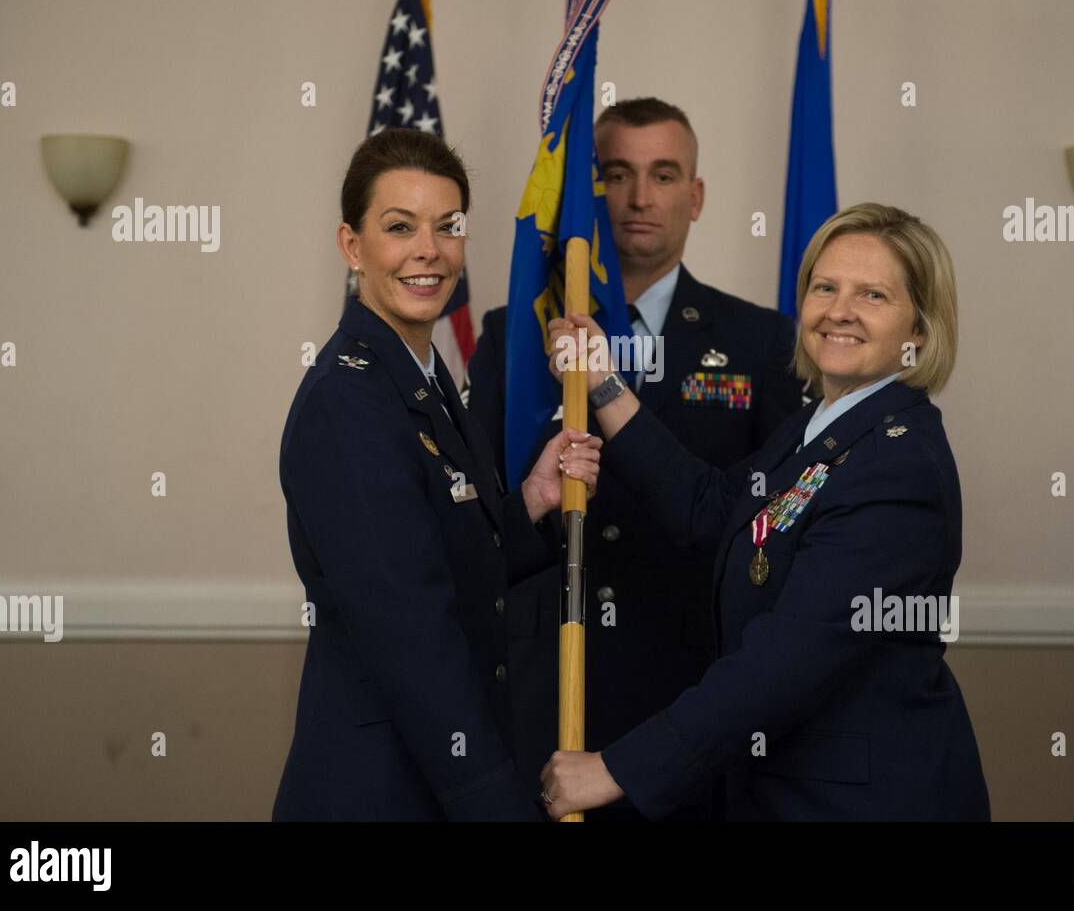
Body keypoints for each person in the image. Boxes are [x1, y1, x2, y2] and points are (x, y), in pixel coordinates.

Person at [539, 203, 991, 821]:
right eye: (825, 287)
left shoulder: (897, 465)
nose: (839, 310)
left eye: (873, 295)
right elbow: (713, 510)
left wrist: (618, 768)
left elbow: (788, 661)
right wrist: (603, 384)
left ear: (919, 330)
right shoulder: (821, 427)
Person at [466, 98, 804, 819]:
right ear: (590, 191)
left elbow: (770, 529)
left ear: (697, 194)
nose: (640, 198)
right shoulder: (515, 335)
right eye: (616, 174)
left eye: (663, 174)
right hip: (548, 684)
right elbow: (478, 514)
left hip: (687, 689)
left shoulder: (762, 343)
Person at [271, 129, 602, 821]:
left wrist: (531, 505)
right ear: (352, 247)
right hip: (381, 789)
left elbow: (451, 568)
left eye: (448, 227)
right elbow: (411, 634)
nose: (430, 250)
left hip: (430, 776)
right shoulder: (349, 403)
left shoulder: (423, 381)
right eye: (400, 227)